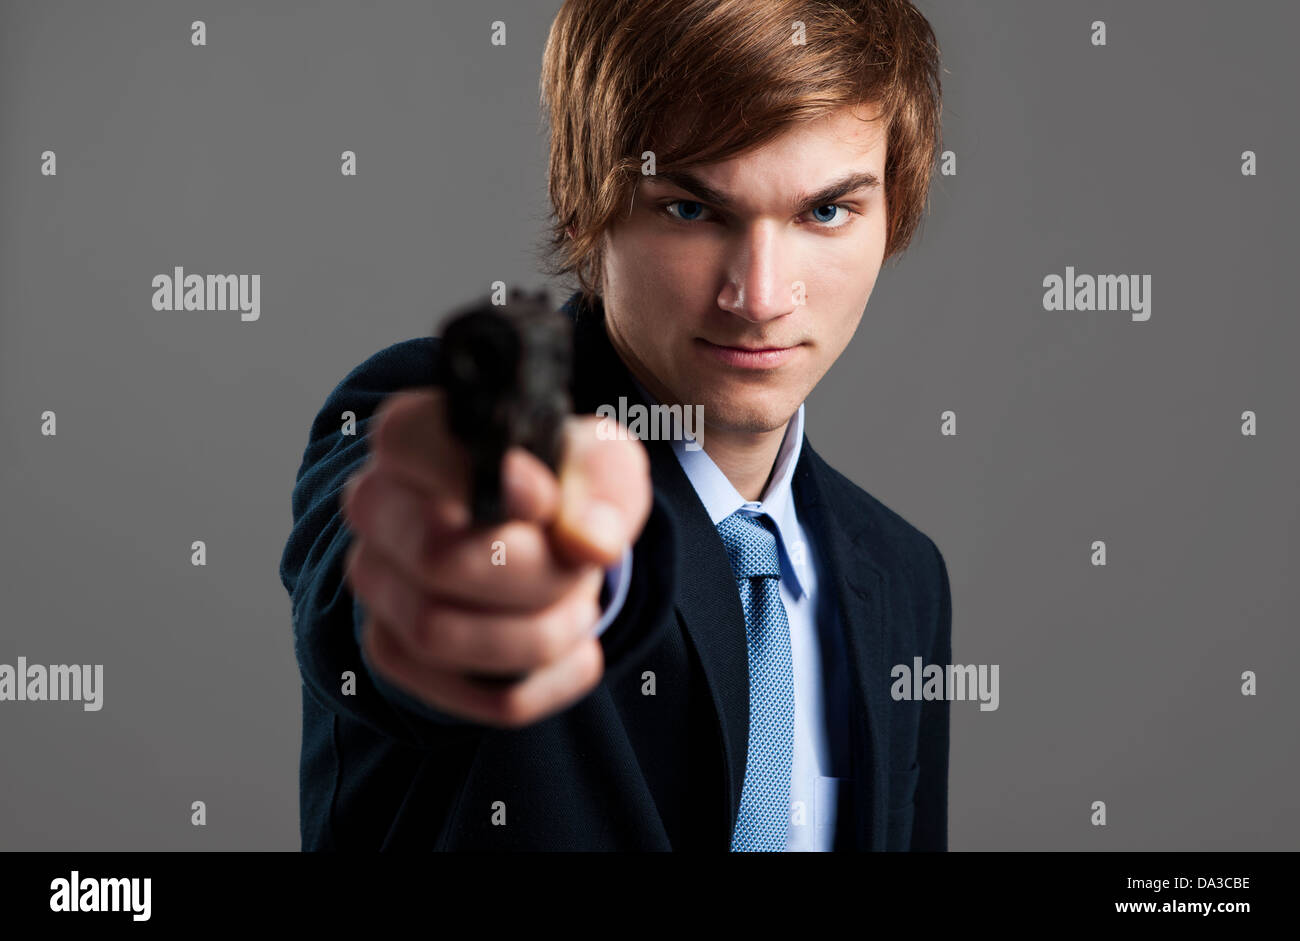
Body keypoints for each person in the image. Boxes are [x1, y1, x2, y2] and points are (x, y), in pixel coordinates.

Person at [280, 0, 950, 851]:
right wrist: (477, 561)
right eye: (690, 210)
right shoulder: (436, 416)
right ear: (579, 202)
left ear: (895, 215)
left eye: (825, 213)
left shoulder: (902, 575)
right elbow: (385, 585)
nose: (761, 297)